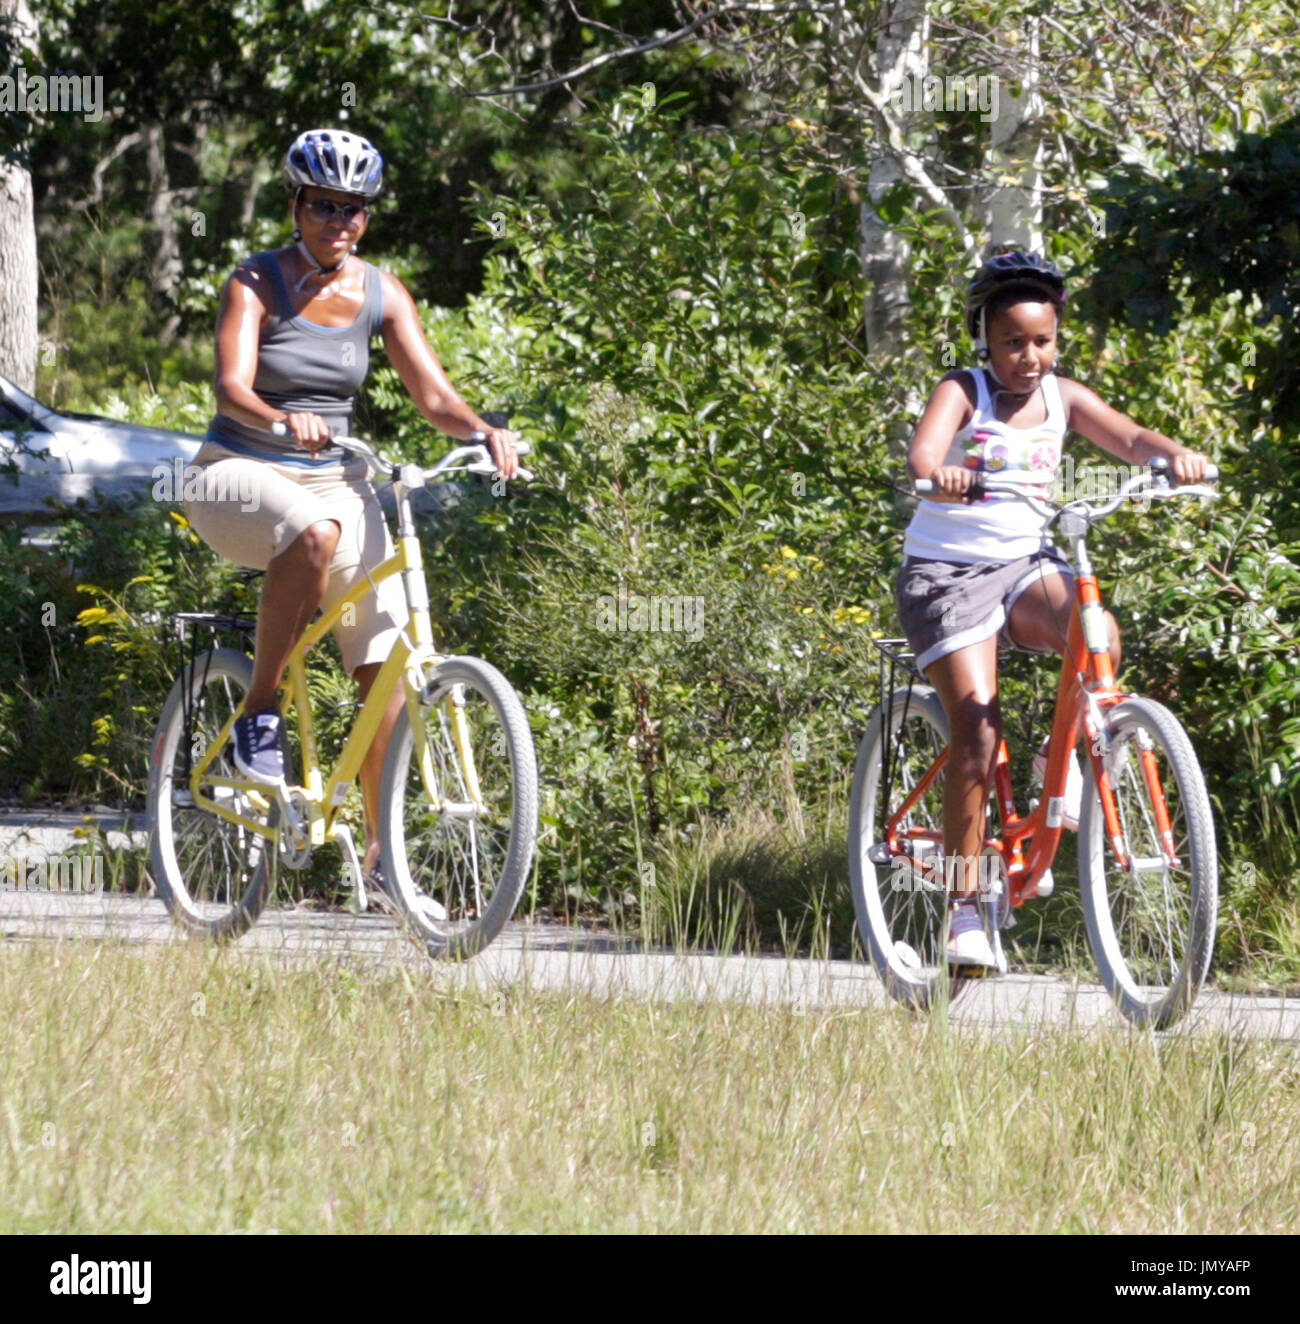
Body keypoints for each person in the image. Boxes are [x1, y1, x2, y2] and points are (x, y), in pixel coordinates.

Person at [183, 127, 519, 910]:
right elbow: (231, 388)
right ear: (295, 205)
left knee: (388, 669)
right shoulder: (255, 283)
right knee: (312, 533)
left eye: (355, 209)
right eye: (325, 204)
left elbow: (434, 398)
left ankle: (384, 862)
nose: (340, 220)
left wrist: (482, 432)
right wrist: (280, 419)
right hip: (237, 472)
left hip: (336, 478)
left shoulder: (381, 291)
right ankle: (257, 719)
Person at [897, 249, 1209, 967]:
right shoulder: (963, 390)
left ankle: (1057, 759)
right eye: (1013, 341)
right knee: (975, 730)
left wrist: (1174, 454)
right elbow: (922, 455)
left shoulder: (1063, 397)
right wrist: (942, 475)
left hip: (1022, 567)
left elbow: (1129, 439)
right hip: (945, 575)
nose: (1029, 357)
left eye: (1043, 341)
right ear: (985, 337)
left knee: (1095, 628)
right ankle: (968, 905)